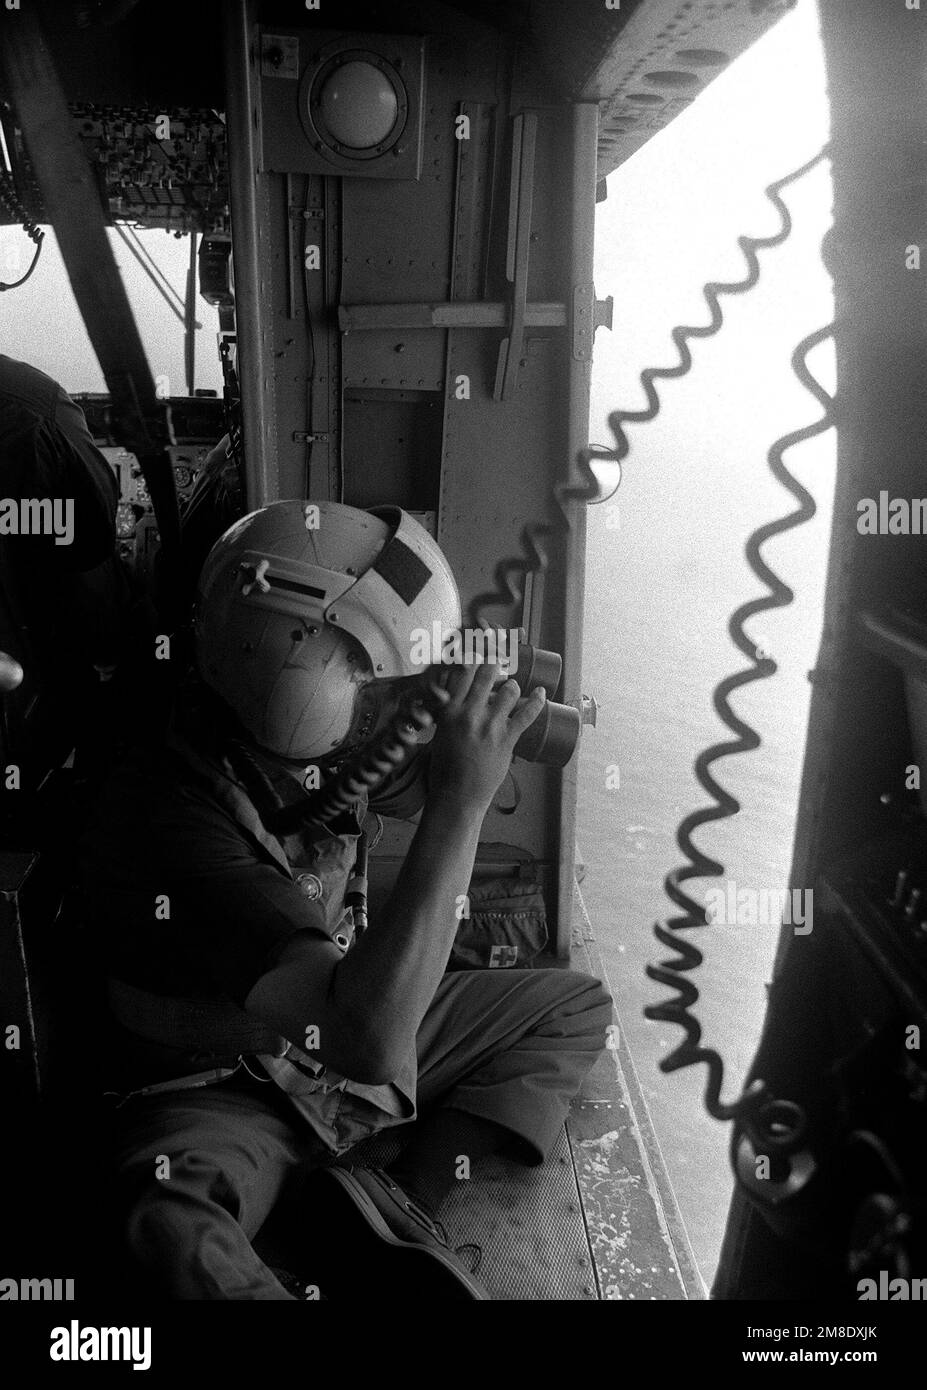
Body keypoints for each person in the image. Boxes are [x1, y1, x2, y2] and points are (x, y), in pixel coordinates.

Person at [79, 498, 613, 1301]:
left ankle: (396, 1202)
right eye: (392, 696)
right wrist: (461, 804)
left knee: (569, 1006)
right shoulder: (173, 813)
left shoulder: (277, 736)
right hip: (223, 1090)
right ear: (315, 696)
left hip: (326, 1045)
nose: (409, 715)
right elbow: (367, 1043)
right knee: (162, 1224)